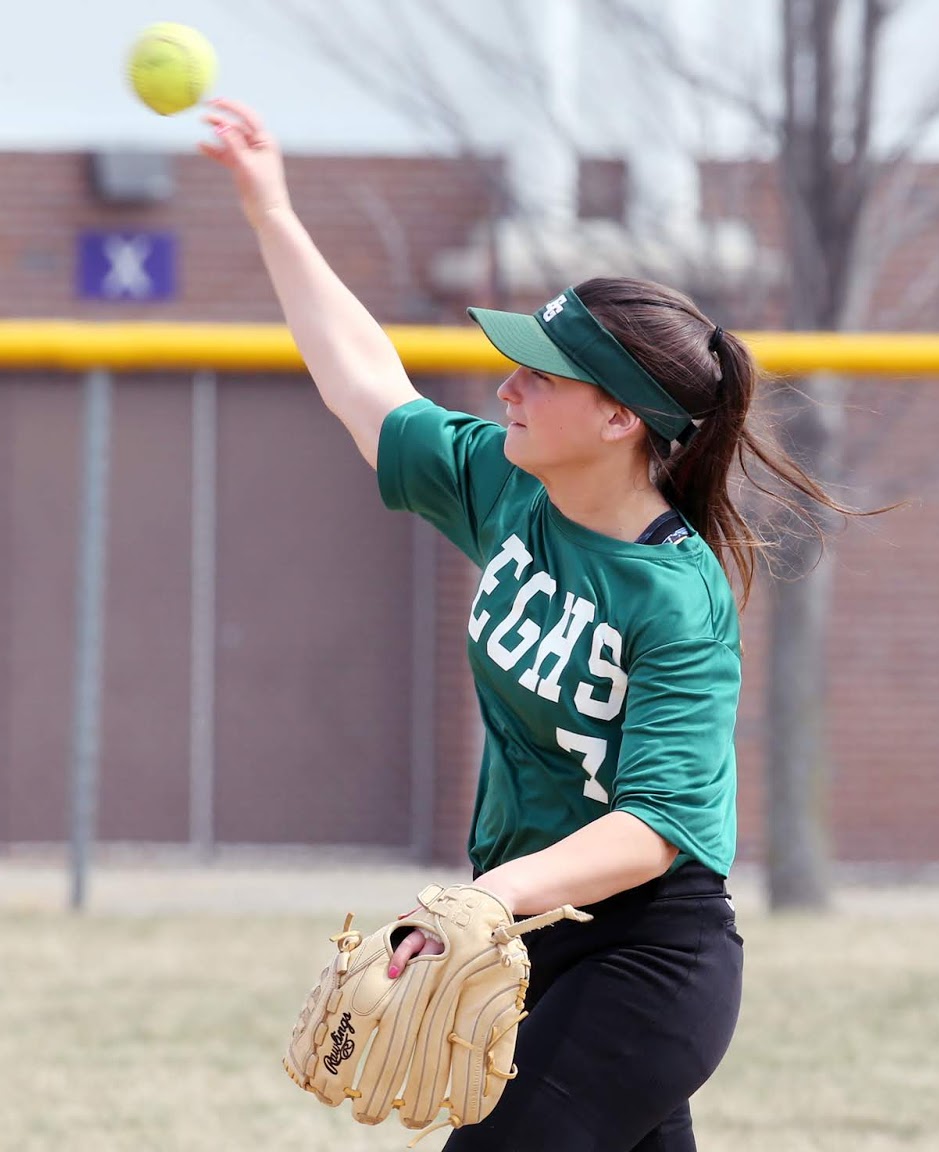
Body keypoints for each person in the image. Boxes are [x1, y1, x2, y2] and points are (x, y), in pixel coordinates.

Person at [201, 97, 854, 1152]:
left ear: (617, 417)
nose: (505, 388)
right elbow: (361, 383)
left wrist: (481, 900)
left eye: (538, 377)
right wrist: (270, 206)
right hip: (532, 948)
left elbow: (655, 829)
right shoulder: (510, 492)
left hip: (646, 962)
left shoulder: (673, 597)